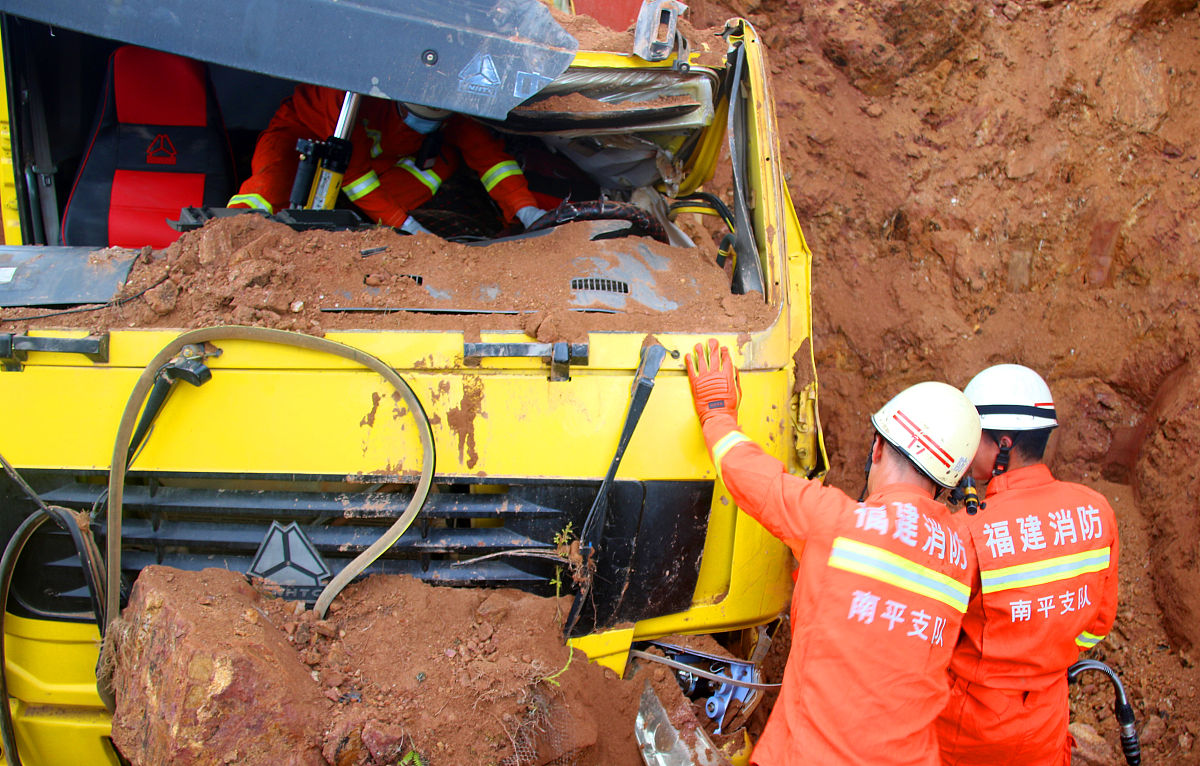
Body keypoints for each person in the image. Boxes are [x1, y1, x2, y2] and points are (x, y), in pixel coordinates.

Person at [685, 338, 981, 765]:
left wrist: (716, 413)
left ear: (877, 449)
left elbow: (753, 477)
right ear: (948, 483)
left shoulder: (838, 523)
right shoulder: (961, 554)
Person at [936, 363, 1119, 765]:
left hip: (970, 726)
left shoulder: (969, 529)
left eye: (973, 438)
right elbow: (1099, 622)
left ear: (1003, 444)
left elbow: (931, 633)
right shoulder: (1096, 511)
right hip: (1046, 719)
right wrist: (1047, 658)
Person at [228, 84, 547, 234]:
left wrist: (525, 208)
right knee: (269, 190)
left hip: (386, 159)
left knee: (437, 167)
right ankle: (234, 232)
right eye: (413, 113)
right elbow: (354, 174)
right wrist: (406, 227)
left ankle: (364, 219)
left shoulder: (450, 104)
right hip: (306, 131)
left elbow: (490, 158)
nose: (422, 121)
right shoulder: (348, 96)